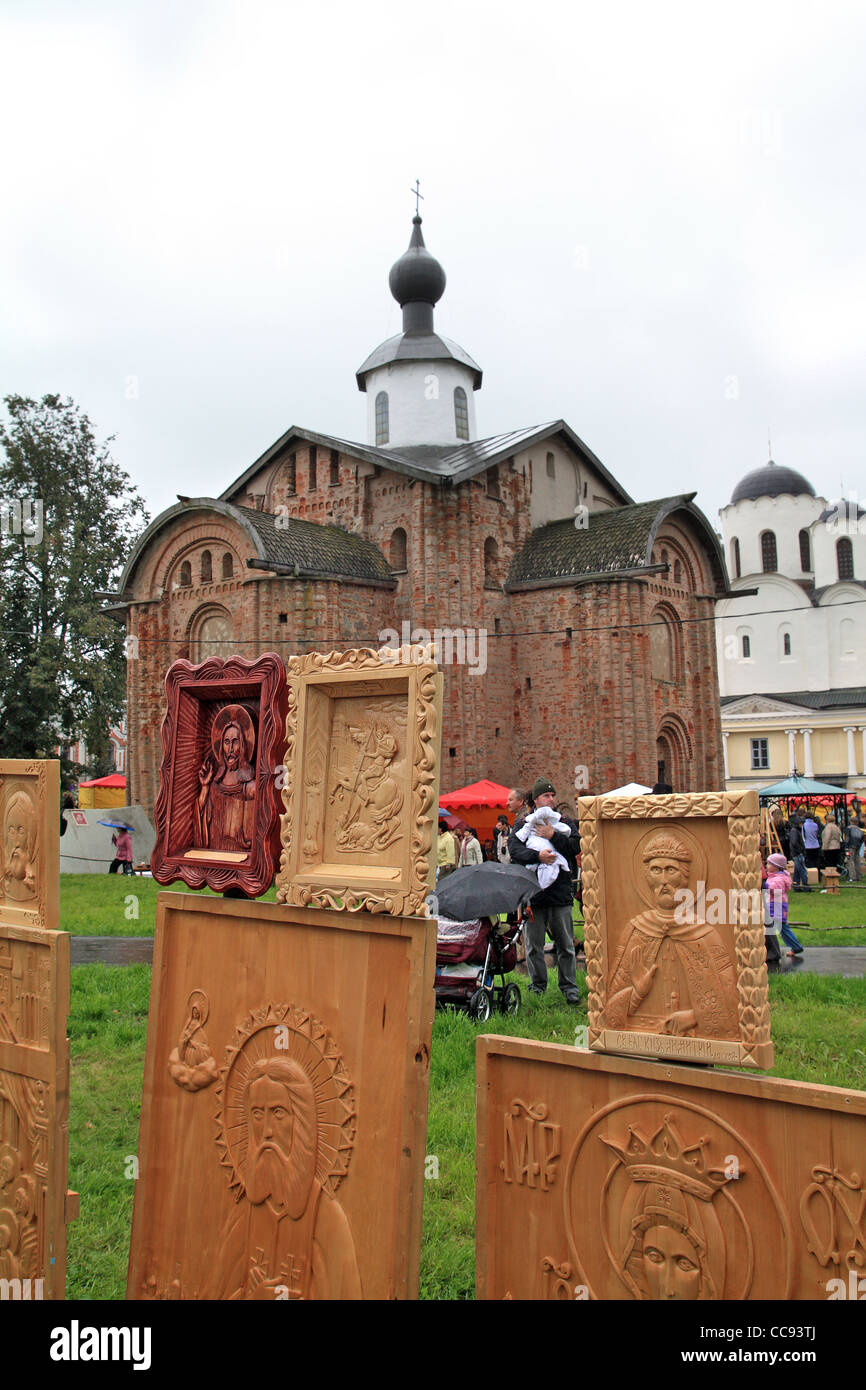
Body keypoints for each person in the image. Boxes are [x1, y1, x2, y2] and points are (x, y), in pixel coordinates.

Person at [508, 777, 580, 1005]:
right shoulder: (524, 822)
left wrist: (553, 837)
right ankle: (537, 986)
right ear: (536, 799)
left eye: (552, 795)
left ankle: (569, 987)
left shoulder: (564, 821)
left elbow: (575, 847)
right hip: (534, 894)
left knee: (566, 945)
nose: (551, 799)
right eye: (546, 796)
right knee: (533, 946)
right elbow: (515, 850)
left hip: (560, 893)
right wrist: (537, 856)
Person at [765, 851, 802, 957]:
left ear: (776, 867)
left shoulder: (778, 879)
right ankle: (795, 946)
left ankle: (795, 946)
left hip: (776, 906)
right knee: (782, 928)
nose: (767, 866)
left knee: (779, 928)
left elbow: (774, 889)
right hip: (776, 905)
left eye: (769, 864)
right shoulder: (776, 877)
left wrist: (764, 886)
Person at [787, 815, 810, 892]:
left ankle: (796, 886)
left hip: (796, 853)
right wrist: (800, 850)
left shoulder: (795, 830)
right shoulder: (795, 831)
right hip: (798, 853)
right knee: (802, 870)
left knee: (797, 871)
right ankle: (805, 886)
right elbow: (794, 842)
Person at [845, 818, 864, 882]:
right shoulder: (859, 829)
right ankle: (858, 875)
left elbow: (847, 838)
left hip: (850, 846)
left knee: (850, 861)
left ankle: (852, 877)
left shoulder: (849, 828)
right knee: (857, 860)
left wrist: (846, 846)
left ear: (851, 822)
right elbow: (862, 839)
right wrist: (859, 845)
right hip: (858, 846)